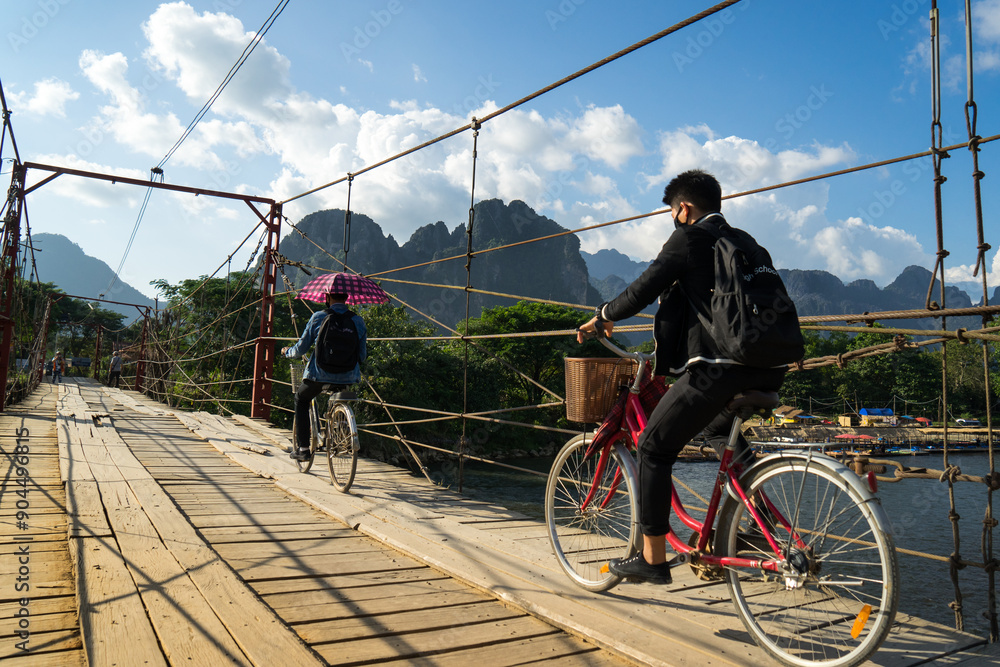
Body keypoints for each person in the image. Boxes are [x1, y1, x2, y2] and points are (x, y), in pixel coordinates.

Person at [576, 169, 789, 585]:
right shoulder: (746, 242)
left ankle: (652, 560)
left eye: (672, 211)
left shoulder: (689, 238)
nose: (673, 218)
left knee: (654, 449)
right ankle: (758, 523)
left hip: (718, 370)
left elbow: (642, 289)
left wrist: (602, 316)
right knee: (716, 428)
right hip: (768, 367)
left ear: (683, 208)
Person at [282, 292, 367, 461]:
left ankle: (304, 449)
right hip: (348, 376)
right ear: (347, 298)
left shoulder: (318, 317)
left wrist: (287, 352)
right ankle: (342, 429)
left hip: (318, 375)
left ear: (327, 298)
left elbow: (300, 349)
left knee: (301, 399)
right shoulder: (358, 321)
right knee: (340, 396)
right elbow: (362, 356)